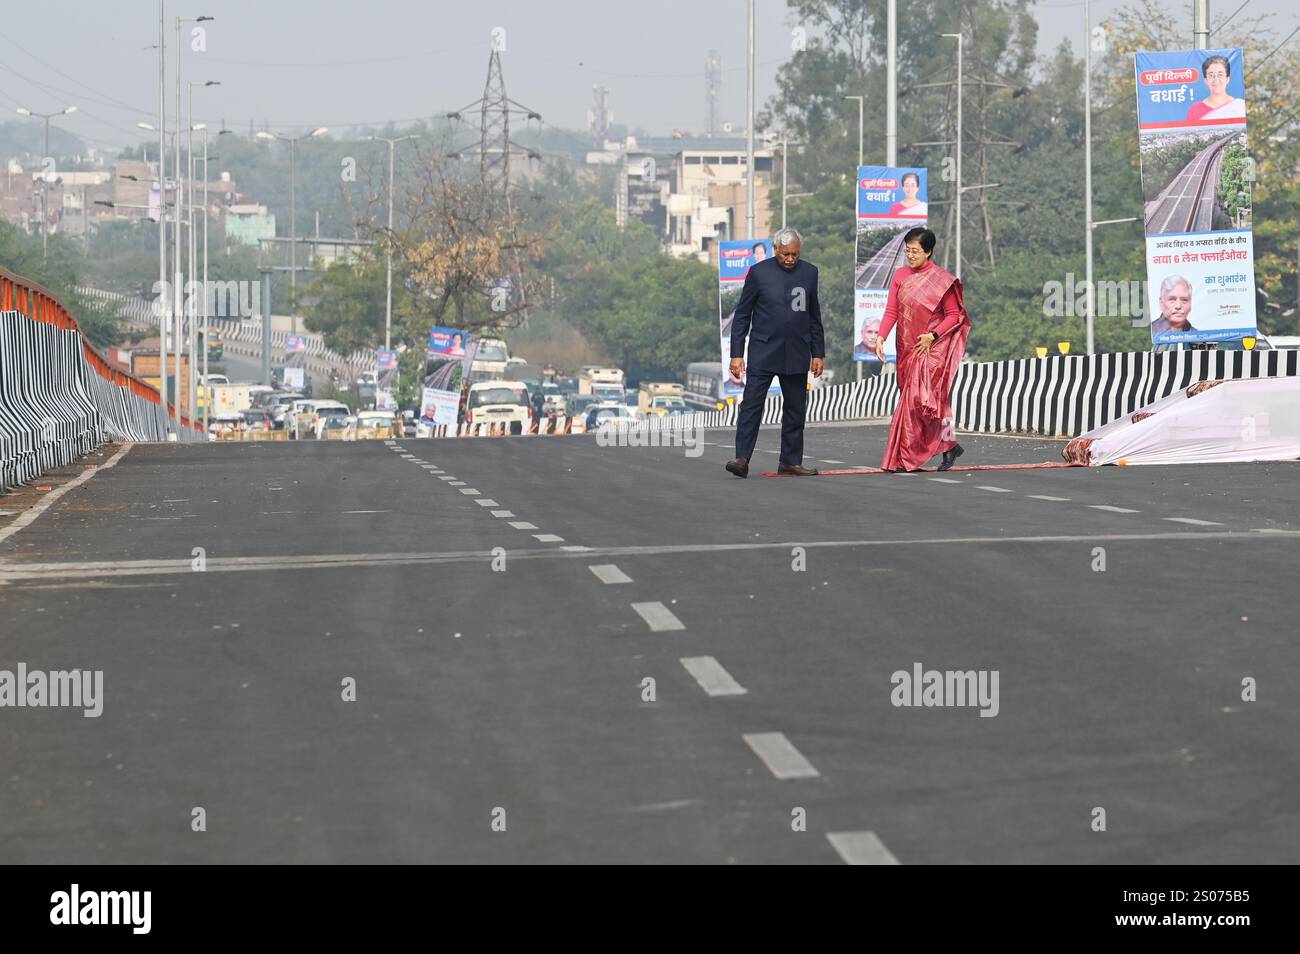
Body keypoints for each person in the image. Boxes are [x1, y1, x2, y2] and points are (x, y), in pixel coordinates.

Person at [725, 227, 825, 478]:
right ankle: (742, 458)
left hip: (797, 351)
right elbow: (742, 316)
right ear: (775, 250)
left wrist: (818, 353)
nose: (790, 259)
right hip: (763, 350)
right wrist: (736, 354)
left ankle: (790, 461)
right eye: (785, 255)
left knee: (795, 408)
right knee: (751, 406)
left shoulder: (810, 272)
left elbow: (814, 316)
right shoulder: (758, 273)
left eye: (795, 254)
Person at [874, 227, 971, 472]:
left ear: (928, 252)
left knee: (921, 400)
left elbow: (953, 315)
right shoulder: (900, 276)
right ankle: (949, 445)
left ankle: (906, 457)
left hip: (931, 348)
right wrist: (880, 337)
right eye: (907, 250)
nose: (910, 255)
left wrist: (932, 335)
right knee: (921, 404)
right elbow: (892, 311)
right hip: (906, 347)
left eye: (915, 251)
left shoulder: (942, 280)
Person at [1186, 55, 1245, 122]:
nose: (1216, 79)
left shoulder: (1239, 106)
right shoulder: (1195, 110)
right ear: (1205, 80)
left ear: (1227, 78)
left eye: (1220, 75)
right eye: (1211, 75)